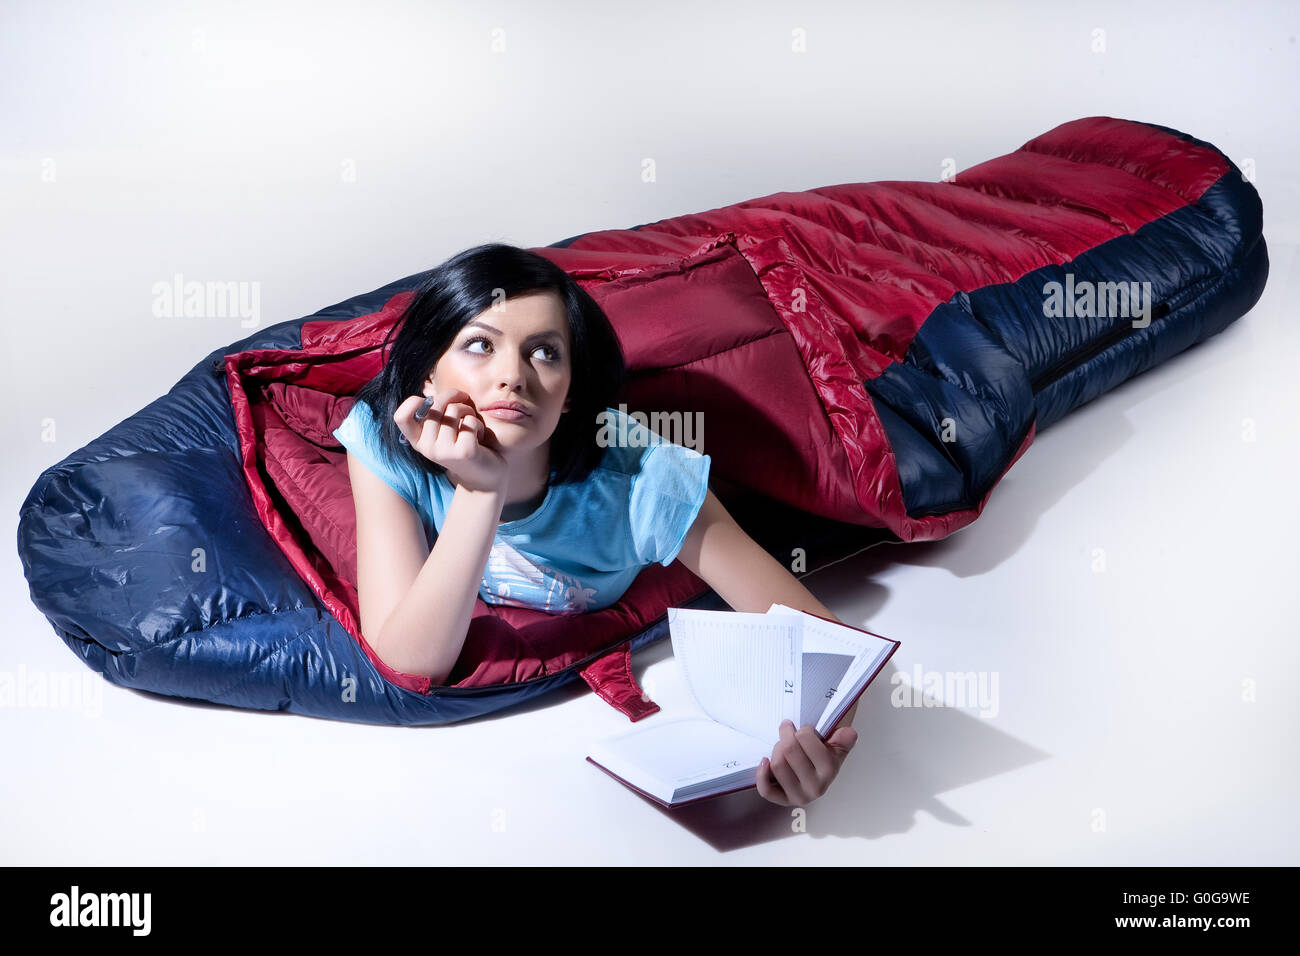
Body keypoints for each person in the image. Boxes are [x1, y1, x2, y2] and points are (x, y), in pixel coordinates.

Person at [334, 242, 860, 806]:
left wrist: (821, 747)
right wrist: (479, 491)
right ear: (428, 376)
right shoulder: (383, 439)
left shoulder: (644, 481)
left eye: (544, 353)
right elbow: (409, 661)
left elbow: (827, 646)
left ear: (568, 397)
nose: (512, 376)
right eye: (480, 345)